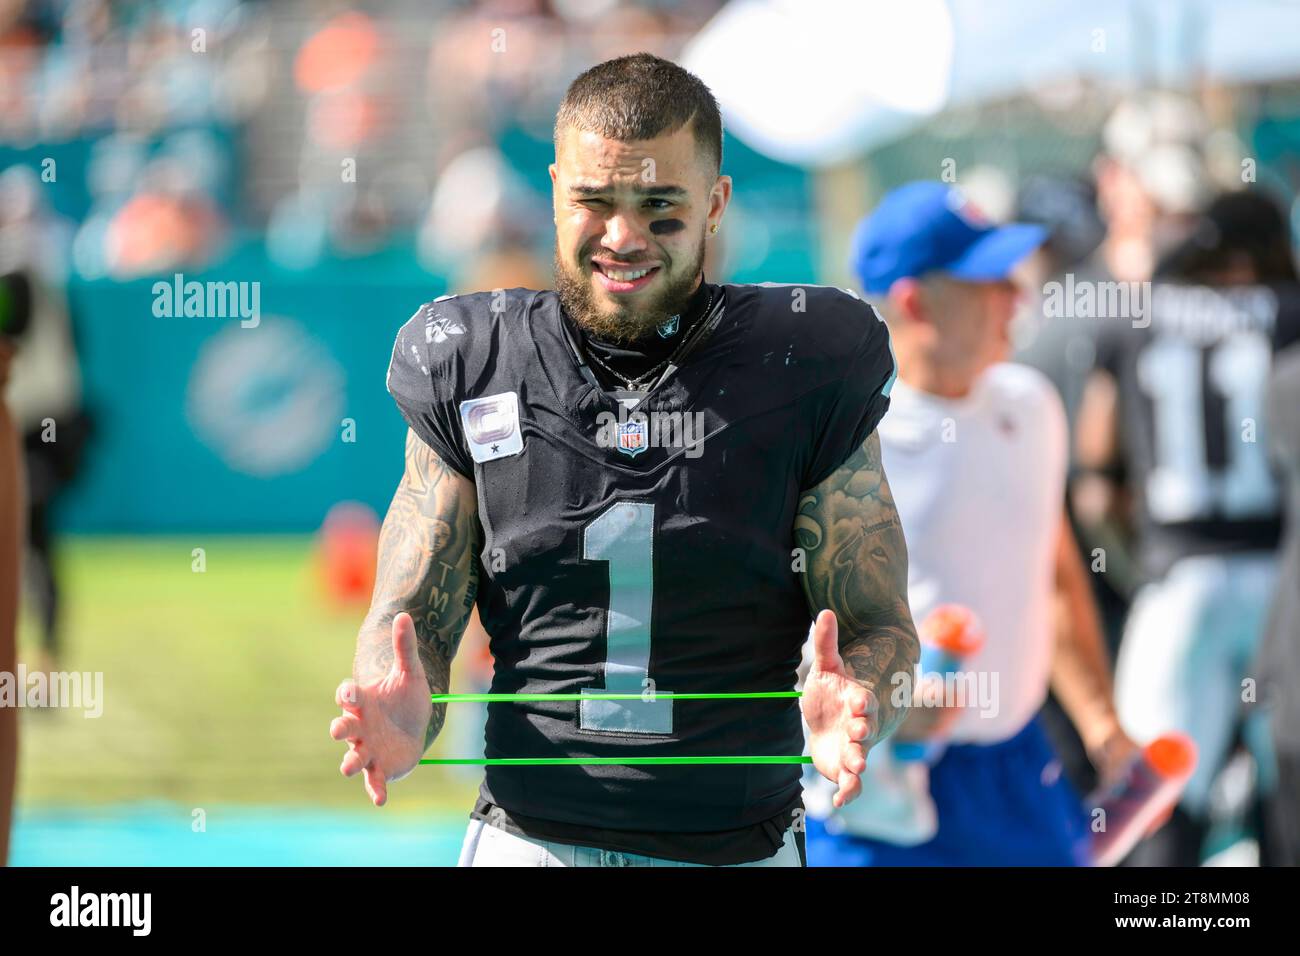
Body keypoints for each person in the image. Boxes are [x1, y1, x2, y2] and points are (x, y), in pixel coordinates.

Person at [329, 54, 918, 867]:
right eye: (594, 202)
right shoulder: (476, 358)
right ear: (555, 190)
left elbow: (880, 624)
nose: (623, 236)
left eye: (659, 206)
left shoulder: (804, 361)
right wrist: (405, 706)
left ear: (715, 203)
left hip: (733, 847)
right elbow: (409, 620)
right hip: (530, 840)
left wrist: (860, 699)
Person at [806, 182, 1137, 866]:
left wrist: (1100, 720)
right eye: (988, 280)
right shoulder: (835, 438)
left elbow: (1049, 572)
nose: (1016, 296)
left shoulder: (1033, 406)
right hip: (880, 788)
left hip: (1019, 772)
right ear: (915, 304)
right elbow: (786, 627)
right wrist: (884, 708)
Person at [1075, 189, 1300, 865]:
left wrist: (1142, 573)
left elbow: (1094, 483)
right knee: (1284, 791)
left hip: (1180, 586)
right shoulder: (1289, 315)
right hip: (1283, 588)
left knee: (1157, 803)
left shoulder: (1134, 314)